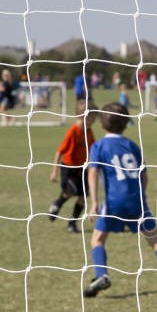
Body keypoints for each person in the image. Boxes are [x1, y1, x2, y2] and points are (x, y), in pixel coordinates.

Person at [84, 102, 157, 297]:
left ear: (101, 124)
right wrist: (139, 196)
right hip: (137, 201)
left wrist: (94, 204)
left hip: (114, 201)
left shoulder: (98, 146)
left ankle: (101, 275)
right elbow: (144, 176)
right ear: (126, 124)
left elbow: (92, 173)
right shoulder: (132, 146)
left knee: (97, 239)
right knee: (155, 240)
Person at [49, 100, 97, 233]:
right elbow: (59, 151)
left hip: (82, 169)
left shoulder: (89, 131)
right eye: (92, 118)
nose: (94, 121)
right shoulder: (72, 131)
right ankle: (57, 203)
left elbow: (94, 148)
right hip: (68, 168)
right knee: (70, 190)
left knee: (83, 197)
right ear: (83, 116)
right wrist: (54, 171)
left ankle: (72, 223)